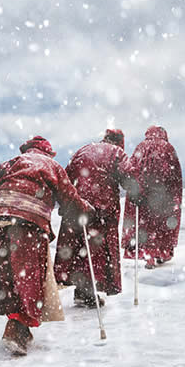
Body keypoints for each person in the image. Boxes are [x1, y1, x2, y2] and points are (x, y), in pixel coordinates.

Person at [0, 136, 93, 356]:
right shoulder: (53, 166)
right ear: (48, 152)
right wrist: (84, 208)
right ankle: (16, 331)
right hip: (28, 224)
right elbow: (70, 198)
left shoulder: (9, 163)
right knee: (28, 279)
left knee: (8, 277)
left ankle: (19, 327)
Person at [53, 129, 136, 306]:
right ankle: (87, 292)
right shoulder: (116, 153)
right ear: (119, 142)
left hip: (76, 207)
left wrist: (68, 203)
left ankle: (83, 291)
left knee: (80, 249)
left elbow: (65, 177)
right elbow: (128, 177)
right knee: (96, 252)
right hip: (101, 209)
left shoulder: (82, 150)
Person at [121, 126, 183, 268]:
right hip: (163, 196)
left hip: (144, 195)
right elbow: (175, 176)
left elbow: (132, 170)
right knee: (161, 226)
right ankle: (162, 253)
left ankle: (148, 255)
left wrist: (137, 191)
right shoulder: (168, 148)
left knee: (145, 226)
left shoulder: (140, 147)